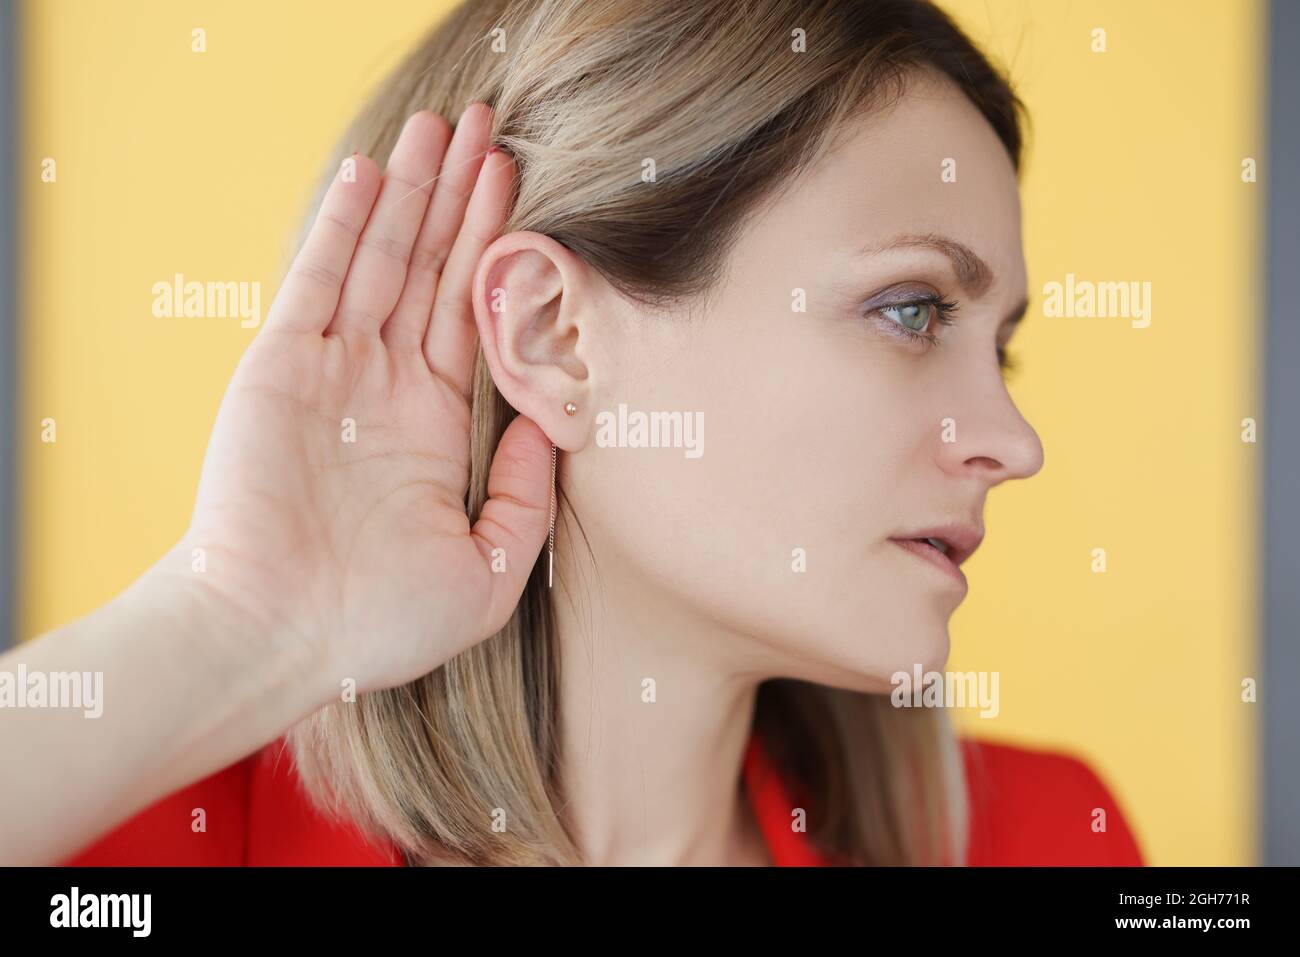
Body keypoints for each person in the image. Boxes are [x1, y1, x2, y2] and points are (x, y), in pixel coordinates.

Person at [3, 0, 1144, 867]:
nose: (1012, 440)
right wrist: (233, 622)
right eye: (911, 310)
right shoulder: (147, 834)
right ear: (553, 336)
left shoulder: (1046, 838)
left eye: (997, 346)